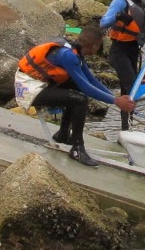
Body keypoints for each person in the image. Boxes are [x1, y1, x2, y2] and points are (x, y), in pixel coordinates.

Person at [14, 24, 132, 167]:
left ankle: (63, 134)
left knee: (76, 92)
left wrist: (116, 99)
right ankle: (77, 149)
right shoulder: (68, 55)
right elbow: (86, 87)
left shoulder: (76, 52)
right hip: (29, 90)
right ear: (93, 46)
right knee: (80, 99)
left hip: (40, 84)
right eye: (99, 45)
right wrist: (116, 101)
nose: (99, 48)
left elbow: (91, 80)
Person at [100, 0, 145, 135]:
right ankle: (128, 130)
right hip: (119, 52)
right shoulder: (121, 2)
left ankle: (126, 130)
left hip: (133, 53)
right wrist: (118, 17)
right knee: (132, 89)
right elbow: (103, 23)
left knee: (128, 92)